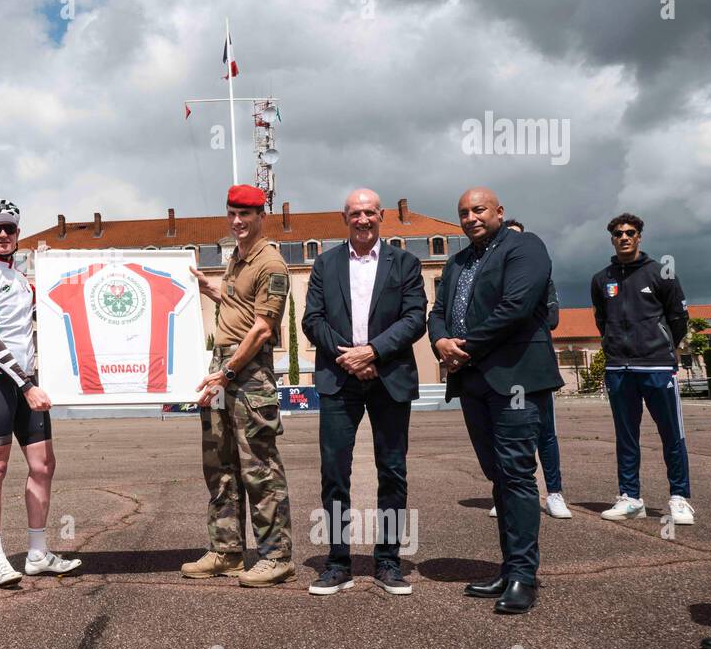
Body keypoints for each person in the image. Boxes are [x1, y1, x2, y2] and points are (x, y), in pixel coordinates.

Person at [429, 187, 562, 615]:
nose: (470, 218)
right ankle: (509, 567)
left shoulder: (525, 247)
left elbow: (517, 307)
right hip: (474, 383)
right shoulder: (456, 262)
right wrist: (439, 340)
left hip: (516, 378)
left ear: (500, 211)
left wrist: (463, 345)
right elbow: (438, 311)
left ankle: (524, 574)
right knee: (497, 475)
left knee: (517, 473)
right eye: (463, 212)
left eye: (479, 209)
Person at [302, 188, 426, 596]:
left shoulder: (405, 262)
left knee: (392, 472)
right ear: (345, 218)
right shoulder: (325, 263)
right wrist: (349, 357)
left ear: (381, 216)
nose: (363, 219)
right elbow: (312, 320)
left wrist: (373, 352)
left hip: (389, 376)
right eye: (355, 213)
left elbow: (414, 318)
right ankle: (338, 562)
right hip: (340, 379)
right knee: (335, 472)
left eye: (369, 212)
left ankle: (388, 562)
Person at [0, 198, 82, 587]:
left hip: (28, 382)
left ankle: (37, 553)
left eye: (8, 228)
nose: (2, 235)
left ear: (17, 232)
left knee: (44, 465)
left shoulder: (25, 282)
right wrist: (26, 385)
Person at [182, 185, 294, 587]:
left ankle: (277, 556)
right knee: (220, 464)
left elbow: (263, 328)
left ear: (260, 216)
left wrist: (227, 371)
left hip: (248, 373)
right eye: (232, 213)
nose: (237, 221)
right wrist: (200, 284)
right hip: (223, 367)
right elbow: (232, 302)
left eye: (245, 214)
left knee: (258, 467)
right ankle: (227, 550)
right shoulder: (237, 258)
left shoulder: (271, 264)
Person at [591, 213, 693, 524]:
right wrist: (614, 345)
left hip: (658, 367)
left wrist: (661, 348)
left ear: (639, 237)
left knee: (671, 434)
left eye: (630, 232)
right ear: (612, 238)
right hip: (619, 369)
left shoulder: (661, 273)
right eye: (618, 233)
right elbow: (601, 320)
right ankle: (631, 498)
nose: (624, 237)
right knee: (626, 436)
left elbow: (678, 319)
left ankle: (679, 498)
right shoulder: (601, 279)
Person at [487, 220, 570, 520]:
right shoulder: (493, 279)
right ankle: (506, 490)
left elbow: (551, 319)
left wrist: (513, 319)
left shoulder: (540, 278)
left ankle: (555, 493)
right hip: (501, 367)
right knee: (503, 434)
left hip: (533, 366)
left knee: (545, 433)